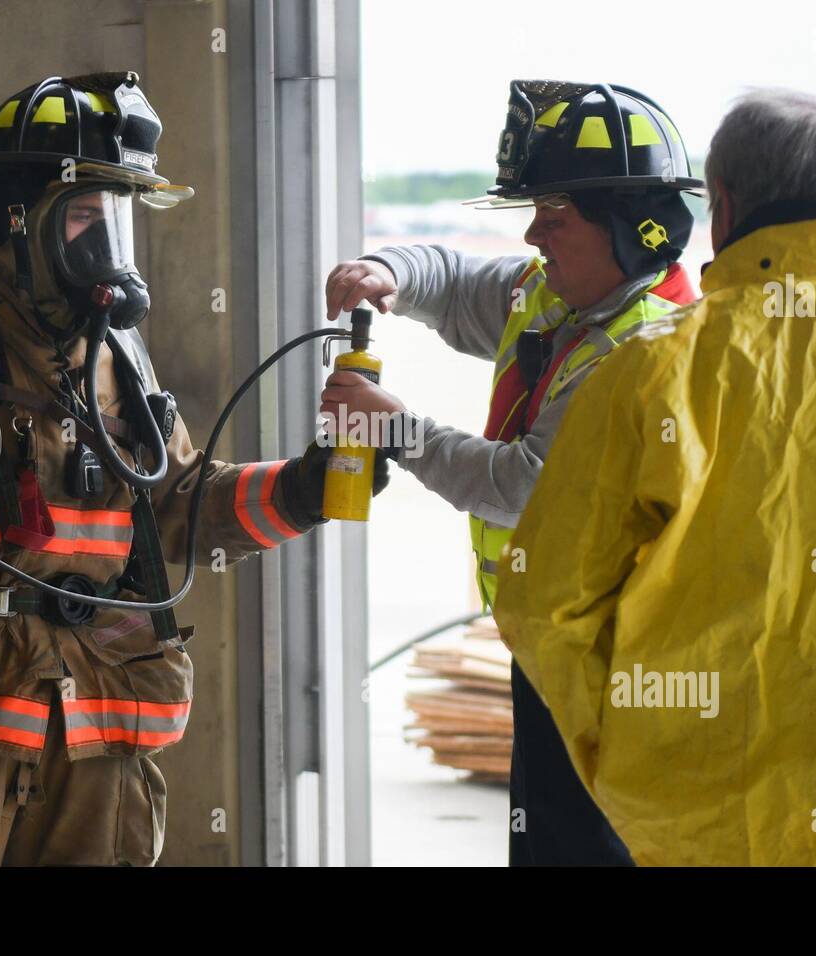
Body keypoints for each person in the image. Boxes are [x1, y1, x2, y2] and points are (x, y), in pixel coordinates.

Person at [0, 71, 385, 866]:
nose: (108, 248)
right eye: (84, 218)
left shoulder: (116, 356)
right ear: (16, 224)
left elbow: (177, 504)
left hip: (96, 730)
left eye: (116, 220)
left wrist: (304, 490)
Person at [495, 88, 816, 865]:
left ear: (727, 208)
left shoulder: (650, 373)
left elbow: (544, 604)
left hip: (713, 832)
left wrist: (631, 768)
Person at [323, 81, 702, 864]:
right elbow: (457, 279)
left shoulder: (645, 352)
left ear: (632, 232)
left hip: (618, 669)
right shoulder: (563, 300)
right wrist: (386, 270)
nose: (534, 235)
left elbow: (525, 488)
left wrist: (393, 428)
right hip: (558, 654)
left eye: (553, 219)